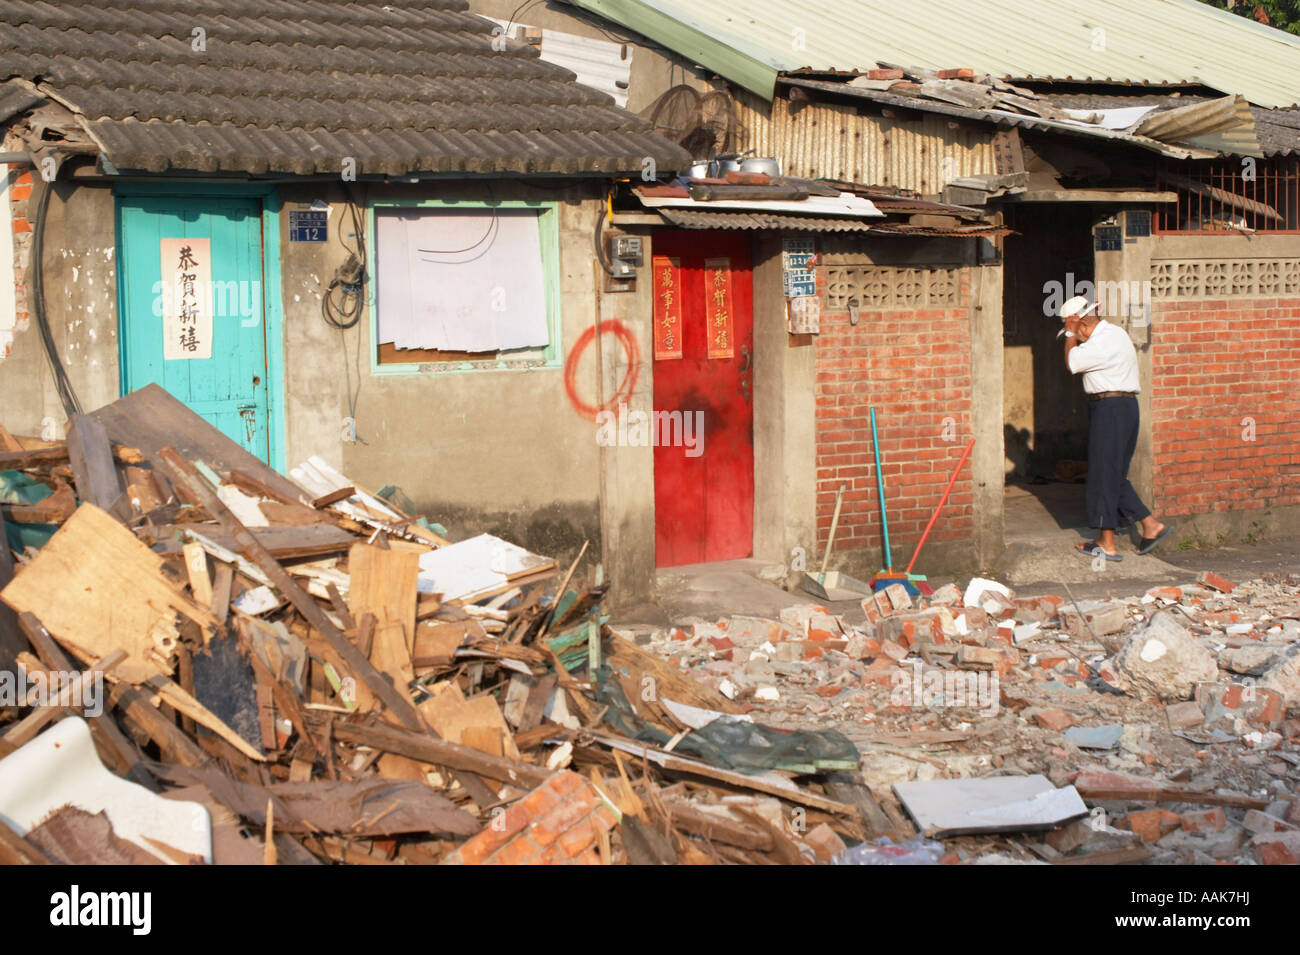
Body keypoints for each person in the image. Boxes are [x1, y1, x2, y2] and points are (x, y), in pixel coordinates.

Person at [1062, 300, 1171, 560]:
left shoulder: (1101, 341)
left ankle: (1107, 543)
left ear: (1083, 324)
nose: (1076, 337)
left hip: (1110, 409)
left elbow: (1072, 363)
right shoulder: (1116, 334)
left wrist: (1069, 333)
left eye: (1077, 330)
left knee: (1103, 474)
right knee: (1114, 474)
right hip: (1122, 408)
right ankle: (1151, 525)